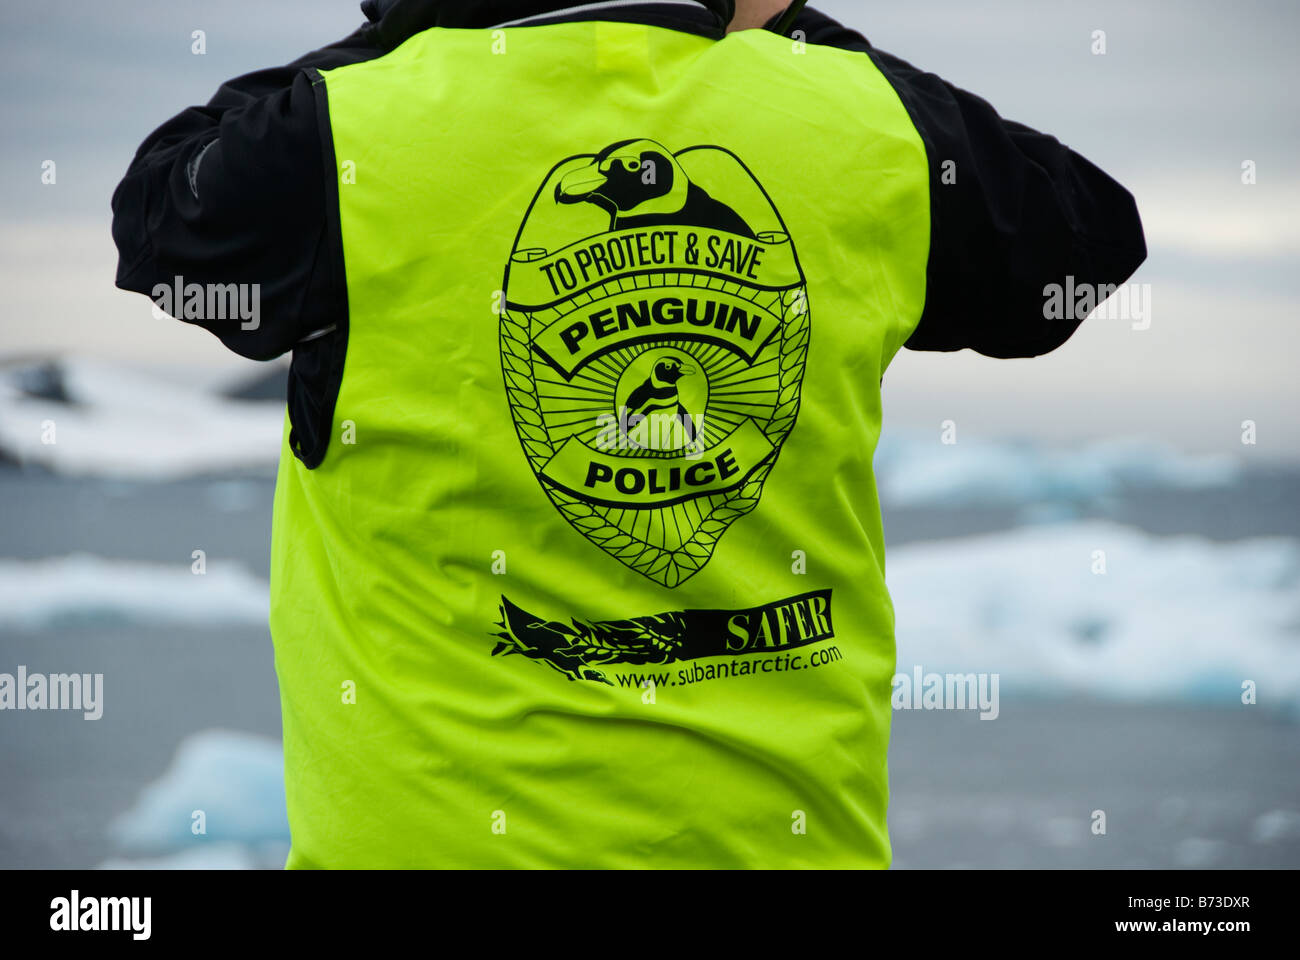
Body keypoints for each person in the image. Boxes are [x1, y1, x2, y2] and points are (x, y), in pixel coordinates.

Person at [111, 0, 1146, 868]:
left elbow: (162, 211)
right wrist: (790, 31)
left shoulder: (344, 135)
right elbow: (1086, 244)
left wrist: (420, 26)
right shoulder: (868, 126)